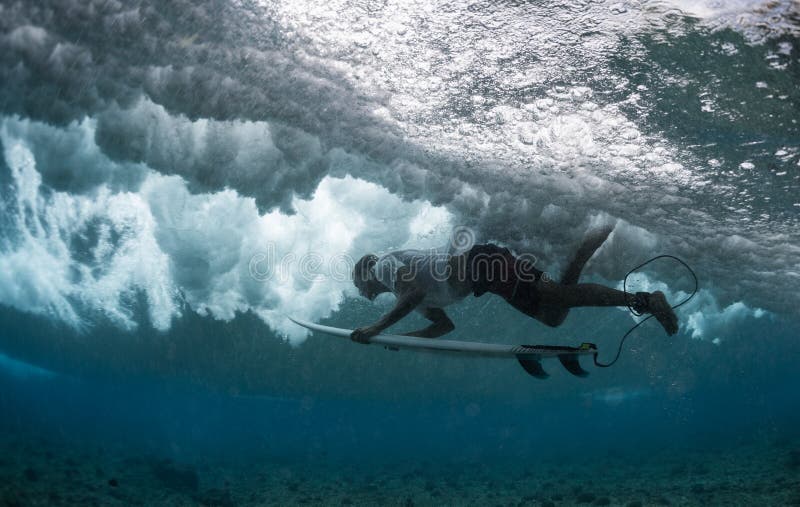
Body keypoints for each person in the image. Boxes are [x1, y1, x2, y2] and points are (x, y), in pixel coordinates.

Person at [349, 226, 678, 343]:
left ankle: (646, 301)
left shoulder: (382, 265)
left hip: (481, 262)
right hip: (486, 280)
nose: (361, 292)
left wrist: (376, 328)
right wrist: (404, 339)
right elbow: (444, 326)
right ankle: (582, 252)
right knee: (553, 316)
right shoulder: (403, 295)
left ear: (365, 272)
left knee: (556, 295)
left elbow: (414, 292)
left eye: (357, 284)